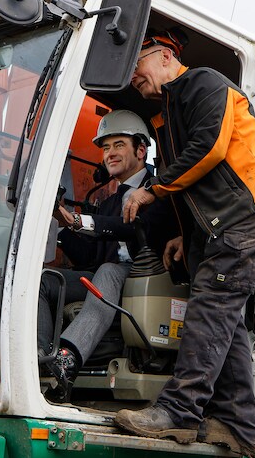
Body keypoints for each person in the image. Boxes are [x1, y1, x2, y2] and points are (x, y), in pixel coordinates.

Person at [116, 28, 255, 458]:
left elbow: (210, 149)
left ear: (162, 57)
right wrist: (184, 233)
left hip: (249, 209)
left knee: (210, 306)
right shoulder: (169, 113)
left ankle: (180, 412)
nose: (133, 78)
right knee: (225, 318)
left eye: (137, 65)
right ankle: (236, 424)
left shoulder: (203, 82)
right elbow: (193, 183)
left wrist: (151, 189)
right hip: (223, 219)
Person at [39, 110, 174, 403]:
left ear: (141, 149)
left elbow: (130, 228)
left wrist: (78, 221)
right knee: (45, 280)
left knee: (110, 271)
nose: (109, 153)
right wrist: (62, 228)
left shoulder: (159, 188)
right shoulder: (109, 200)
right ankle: (41, 360)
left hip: (148, 276)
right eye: (105, 147)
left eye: (118, 145)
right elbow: (90, 254)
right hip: (106, 277)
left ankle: (68, 358)